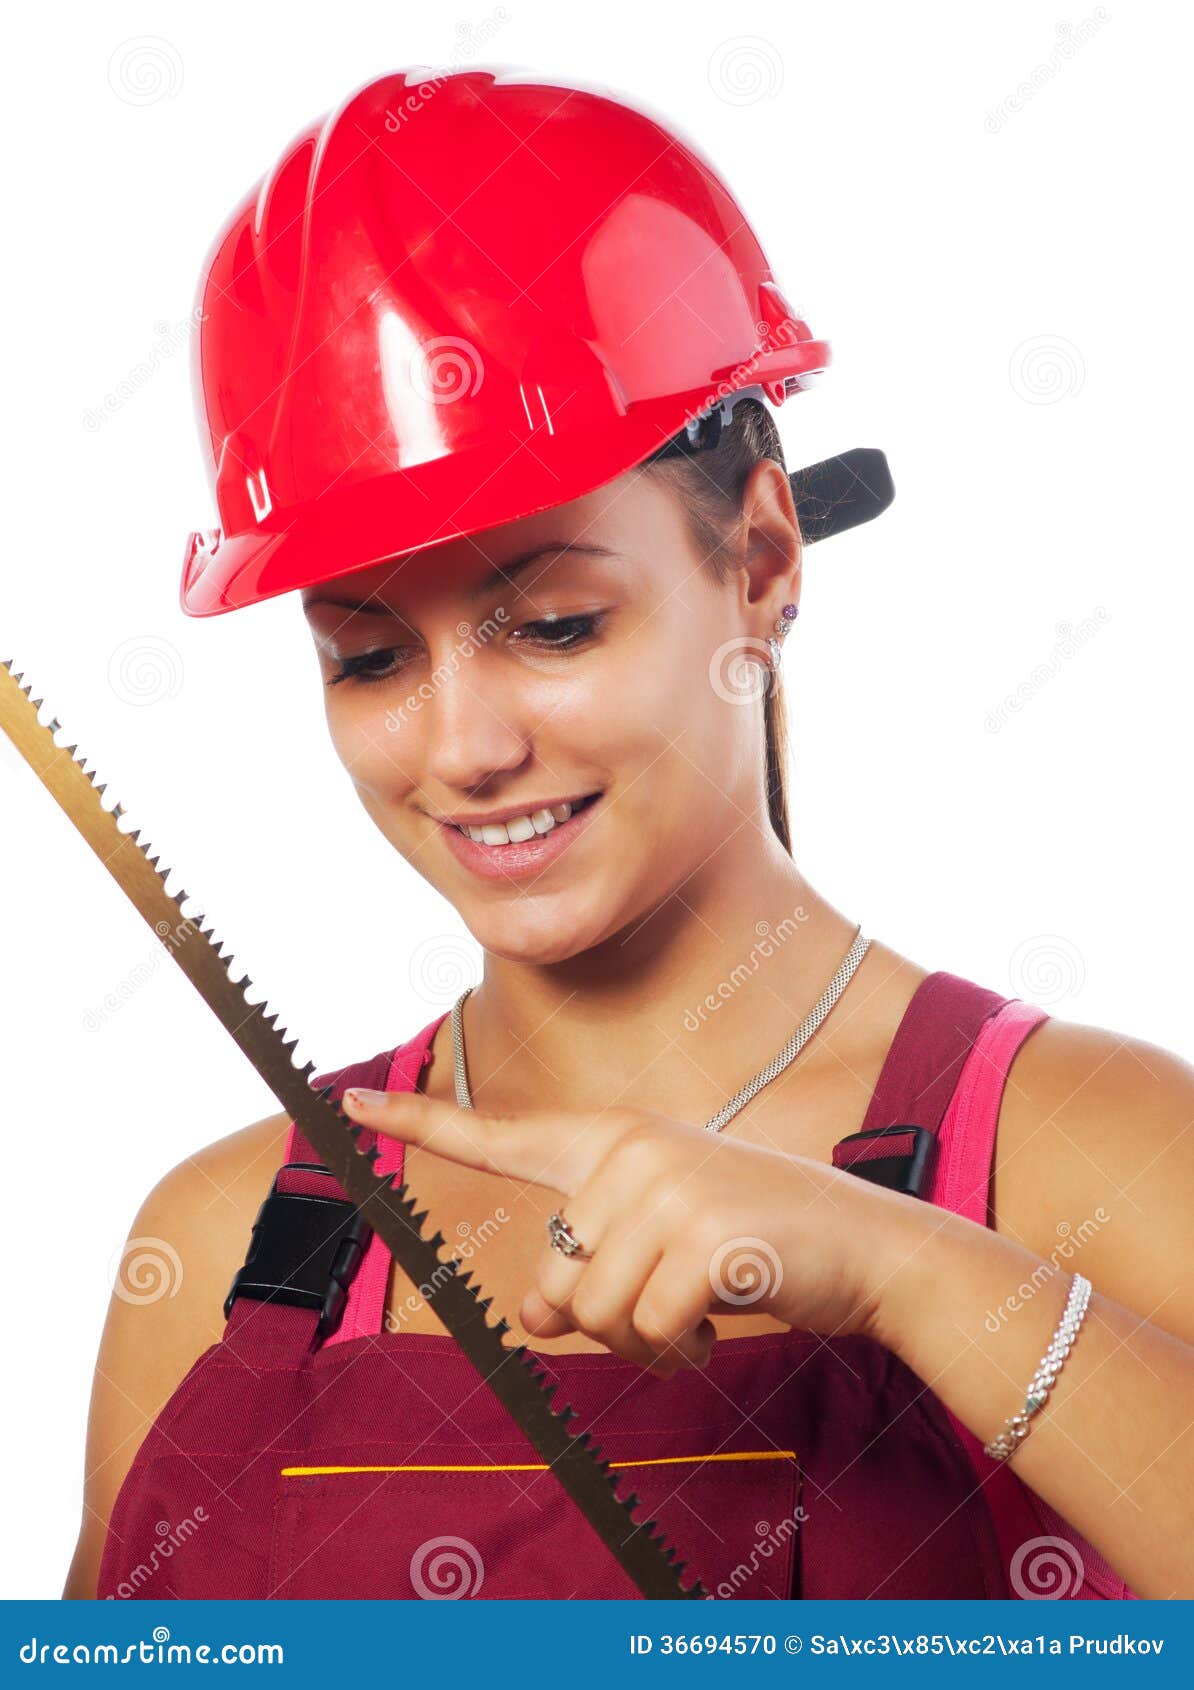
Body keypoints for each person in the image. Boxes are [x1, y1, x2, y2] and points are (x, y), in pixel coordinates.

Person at [66, 67, 1192, 1603]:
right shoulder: (221, 1247)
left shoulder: (1092, 1154)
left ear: (761, 561)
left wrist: (906, 1265)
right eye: (370, 655)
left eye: (552, 621)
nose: (463, 747)